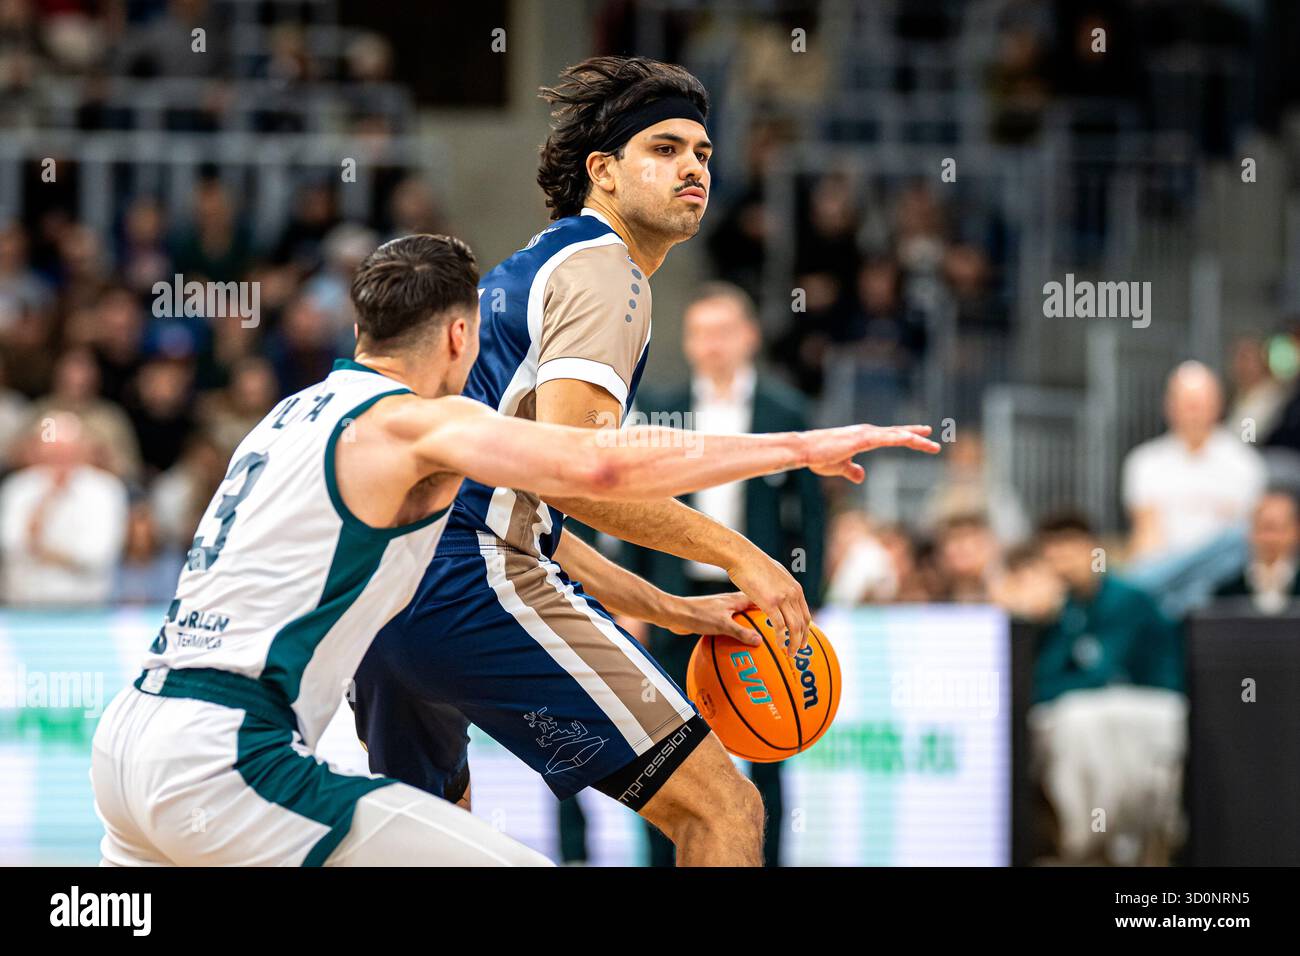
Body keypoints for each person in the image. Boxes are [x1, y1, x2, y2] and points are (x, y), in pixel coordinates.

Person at [89, 233, 940, 867]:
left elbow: (533, 519)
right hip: (230, 755)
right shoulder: (423, 421)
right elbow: (596, 465)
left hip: (129, 742)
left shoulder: (284, 418)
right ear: (462, 339)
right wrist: (801, 446)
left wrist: (667, 605)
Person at [352, 57, 940, 867]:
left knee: (425, 850)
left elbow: (524, 499)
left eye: (702, 153)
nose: (693, 167)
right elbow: (585, 473)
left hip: (385, 592)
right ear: (603, 171)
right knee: (723, 810)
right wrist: (746, 555)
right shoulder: (604, 269)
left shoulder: (527, 270)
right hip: (466, 581)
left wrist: (662, 605)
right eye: (664, 149)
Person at [622, 282, 826, 867]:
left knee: (771, 741)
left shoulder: (785, 412)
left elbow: (811, 524)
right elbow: (636, 509)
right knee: (663, 749)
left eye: (722, 331)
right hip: (673, 595)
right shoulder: (660, 407)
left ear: (749, 337)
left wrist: (806, 600)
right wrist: (636, 602)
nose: (710, 345)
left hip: (759, 596)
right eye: (699, 333)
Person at [1124, 361, 1266, 561]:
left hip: (1223, 577)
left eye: (1199, 405)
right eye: (1187, 405)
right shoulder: (1144, 463)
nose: (1193, 414)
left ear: (1217, 405)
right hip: (1165, 574)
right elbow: (1146, 534)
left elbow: (1246, 534)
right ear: (1169, 406)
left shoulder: (1245, 464)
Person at [0, 410, 129, 606]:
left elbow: (98, 556)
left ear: (82, 451)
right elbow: (10, 546)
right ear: (36, 452)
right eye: (51, 456)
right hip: (23, 607)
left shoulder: (105, 491)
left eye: (67, 455)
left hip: (87, 610)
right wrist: (43, 505)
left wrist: (42, 550)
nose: (59, 464)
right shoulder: (18, 489)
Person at [1213, 490, 1300, 613]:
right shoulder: (1227, 588)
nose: (1271, 539)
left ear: (1295, 531)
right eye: (1265, 529)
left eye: (1279, 529)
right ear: (1251, 531)